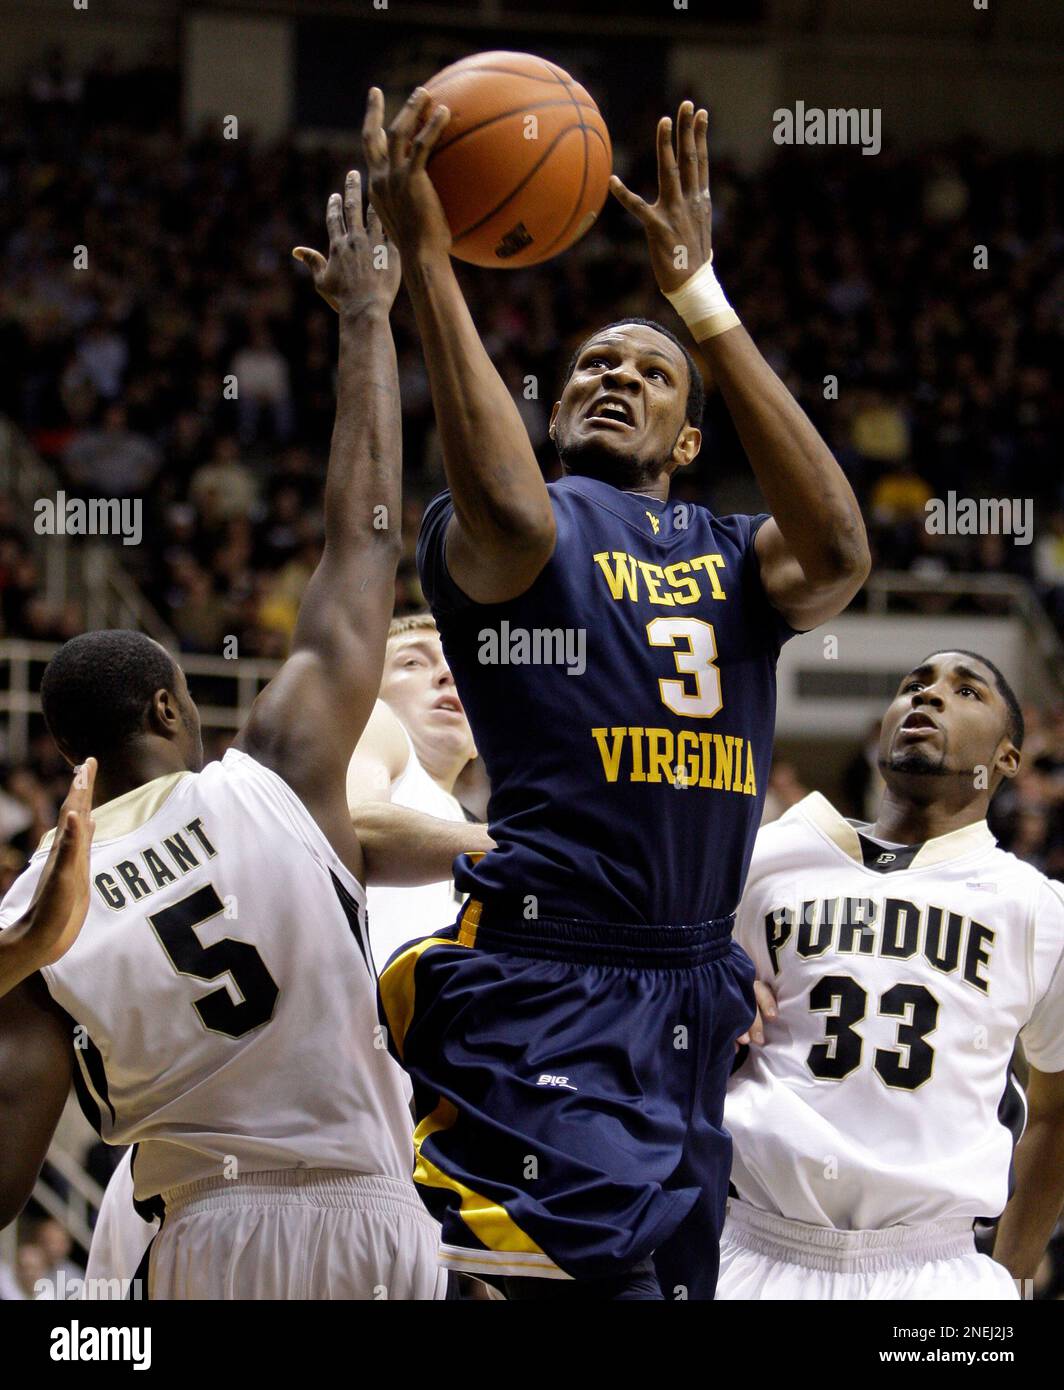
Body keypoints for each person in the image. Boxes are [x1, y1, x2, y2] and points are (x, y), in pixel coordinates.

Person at [365, 89, 870, 1299]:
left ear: (688, 436)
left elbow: (842, 553)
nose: (611, 376)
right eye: (590, 364)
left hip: (691, 981)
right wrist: (431, 261)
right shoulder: (505, 536)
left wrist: (699, 304)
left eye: (648, 373)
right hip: (546, 977)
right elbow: (501, 497)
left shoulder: (735, 550)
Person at [0, 176, 472, 1300]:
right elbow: (363, 541)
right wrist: (366, 318)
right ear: (171, 706)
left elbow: (5, 1182)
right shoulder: (279, 776)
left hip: (205, 1234)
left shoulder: (36, 905)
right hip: (374, 1219)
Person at [719, 650, 1064, 1300]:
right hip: (755, 1246)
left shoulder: (1036, 909)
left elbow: (1056, 1113)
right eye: (914, 686)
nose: (928, 697)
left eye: (967, 692)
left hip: (937, 1270)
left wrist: (1014, 1276)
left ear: (1008, 758)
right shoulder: (765, 857)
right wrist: (710, 989)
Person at [347, 613, 480, 971]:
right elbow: (354, 830)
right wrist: (522, 847)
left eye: (458, 665)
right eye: (412, 662)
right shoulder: (378, 720)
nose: (447, 674)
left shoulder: (469, 824)